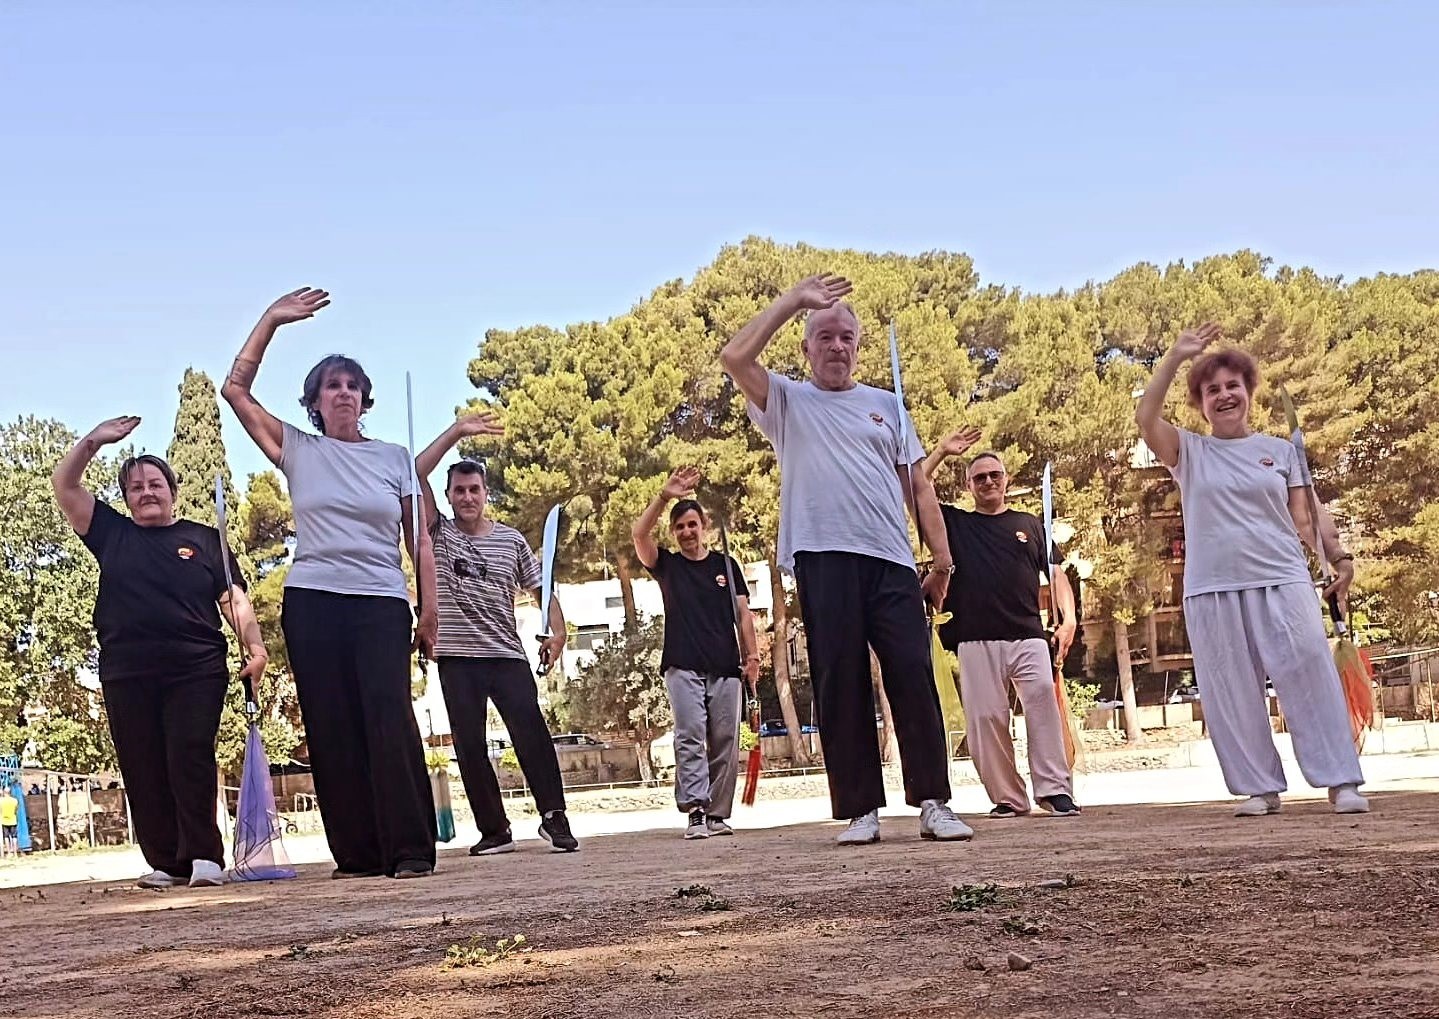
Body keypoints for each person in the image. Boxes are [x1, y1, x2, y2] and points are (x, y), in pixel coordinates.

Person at [721, 273, 973, 845]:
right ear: (806, 348)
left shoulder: (888, 406)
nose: (837, 346)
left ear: (857, 347)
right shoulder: (787, 400)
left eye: (846, 338)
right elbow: (734, 355)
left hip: (891, 560)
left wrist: (941, 561)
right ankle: (861, 809)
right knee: (841, 681)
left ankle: (934, 801)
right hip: (822, 558)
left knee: (913, 677)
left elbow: (919, 487)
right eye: (825, 337)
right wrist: (793, 302)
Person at [222, 288, 441, 878]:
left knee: (387, 714)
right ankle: (359, 852)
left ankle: (409, 849)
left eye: (352, 385)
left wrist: (430, 613)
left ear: (365, 399)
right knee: (330, 720)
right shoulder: (297, 448)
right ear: (316, 401)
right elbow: (234, 392)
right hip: (313, 599)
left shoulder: (395, 457)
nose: (343, 392)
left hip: (380, 600)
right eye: (332, 385)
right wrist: (269, 320)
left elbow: (418, 540)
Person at [1136, 323, 1367, 816]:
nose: (1223, 395)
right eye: (1212, 389)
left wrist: (1339, 556)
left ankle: (1341, 781)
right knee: (1230, 689)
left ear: (1248, 393)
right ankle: (1259, 788)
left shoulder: (1282, 452)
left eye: (1232, 386)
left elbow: (1309, 515)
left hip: (1283, 578)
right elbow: (1145, 416)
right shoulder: (1188, 451)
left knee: (1310, 675)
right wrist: (1176, 357)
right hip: (1212, 586)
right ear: (1200, 402)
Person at [51, 419, 267, 887]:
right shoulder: (110, 533)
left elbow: (233, 598)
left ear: (172, 491)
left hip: (196, 668)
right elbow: (63, 484)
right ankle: (166, 862)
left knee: (188, 753)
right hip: (127, 671)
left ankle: (204, 858)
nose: (146, 492)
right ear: (126, 498)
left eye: (155, 484)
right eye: (135, 487)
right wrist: (93, 441)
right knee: (142, 762)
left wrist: (255, 644)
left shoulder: (205, 540)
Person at [413, 414, 579, 855]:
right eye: (459, 490)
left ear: (486, 494)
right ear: (447, 497)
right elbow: (414, 471)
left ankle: (554, 817)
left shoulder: (510, 540)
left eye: (474, 490)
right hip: (455, 657)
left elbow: (540, 587)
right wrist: (456, 433)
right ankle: (495, 829)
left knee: (532, 734)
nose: (467, 497)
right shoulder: (436, 533)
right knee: (468, 745)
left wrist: (557, 631)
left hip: (506, 654)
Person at [923, 429, 1082, 819]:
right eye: (980, 477)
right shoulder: (955, 523)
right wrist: (941, 451)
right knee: (986, 719)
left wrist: (1070, 618)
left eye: (995, 475)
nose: (989, 481)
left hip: (1028, 635)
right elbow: (915, 488)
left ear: (1006, 479)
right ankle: (1009, 798)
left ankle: (1055, 791)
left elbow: (1057, 574)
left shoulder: (1030, 525)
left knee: (1044, 703)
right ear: (969, 485)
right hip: (975, 639)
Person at [632, 467, 760, 840]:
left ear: (704, 525)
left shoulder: (726, 566)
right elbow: (639, 534)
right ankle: (696, 811)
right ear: (674, 532)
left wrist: (752, 659)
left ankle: (718, 814)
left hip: (725, 665)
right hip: (682, 665)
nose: (687, 532)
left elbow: (743, 615)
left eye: (692, 524)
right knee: (689, 735)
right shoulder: (667, 566)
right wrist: (664, 496)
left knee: (724, 739)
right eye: (680, 527)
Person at [1, 787, 19, 859]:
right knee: (14, 837)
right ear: (10, 792)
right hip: (13, 820)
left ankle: (9, 853)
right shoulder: (15, 800)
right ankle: (15, 854)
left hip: (4, 821)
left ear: (4, 793)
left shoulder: (1, 801)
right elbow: (16, 810)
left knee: (6, 837)